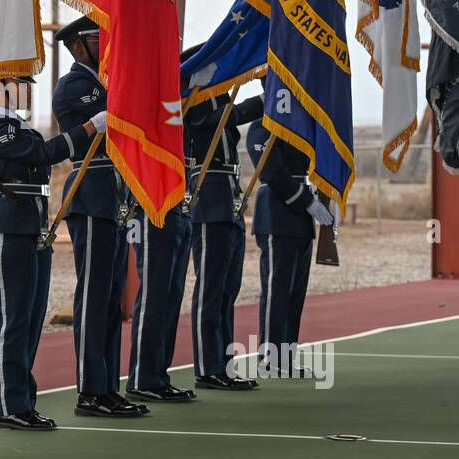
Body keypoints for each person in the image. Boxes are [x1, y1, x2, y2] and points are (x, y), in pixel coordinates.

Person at [0, 75, 103, 429]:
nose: (31, 90)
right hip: (6, 226)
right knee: (14, 318)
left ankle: (24, 402)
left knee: (30, 320)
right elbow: (43, 154)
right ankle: (12, 406)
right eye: (23, 84)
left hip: (31, 227)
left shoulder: (20, 127)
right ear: (0, 87)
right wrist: (90, 128)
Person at [52, 16, 147, 418]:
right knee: (93, 296)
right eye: (99, 39)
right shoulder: (77, 85)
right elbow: (119, 116)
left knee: (111, 298)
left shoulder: (105, 83)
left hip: (113, 198)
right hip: (91, 195)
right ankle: (90, 390)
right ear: (79, 47)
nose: (107, 45)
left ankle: (108, 387)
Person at [125, 52, 199, 403]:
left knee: (171, 295)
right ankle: (141, 376)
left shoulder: (181, 113)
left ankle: (158, 374)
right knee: (154, 294)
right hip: (153, 207)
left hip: (178, 208)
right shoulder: (152, 108)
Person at [186, 85, 265, 390]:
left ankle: (223, 365)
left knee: (228, 289)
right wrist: (262, 98)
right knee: (210, 288)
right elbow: (226, 117)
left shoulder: (219, 98)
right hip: (208, 198)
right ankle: (207, 368)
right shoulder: (194, 102)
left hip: (228, 196)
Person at [246, 118, 333, 377]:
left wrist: (323, 198)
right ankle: (270, 360)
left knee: (295, 292)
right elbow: (271, 173)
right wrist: (306, 201)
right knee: (277, 290)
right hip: (277, 212)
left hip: (301, 214)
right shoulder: (263, 125)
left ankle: (286, 358)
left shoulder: (301, 122)